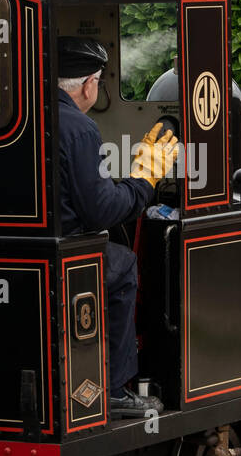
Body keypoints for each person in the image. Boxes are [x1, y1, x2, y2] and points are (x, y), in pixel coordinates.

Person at [56, 36, 179, 417]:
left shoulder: (32, 114)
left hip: (27, 245)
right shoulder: (79, 128)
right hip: (63, 253)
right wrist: (145, 179)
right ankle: (111, 387)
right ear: (90, 85)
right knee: (122, 262)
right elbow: (103, 211)